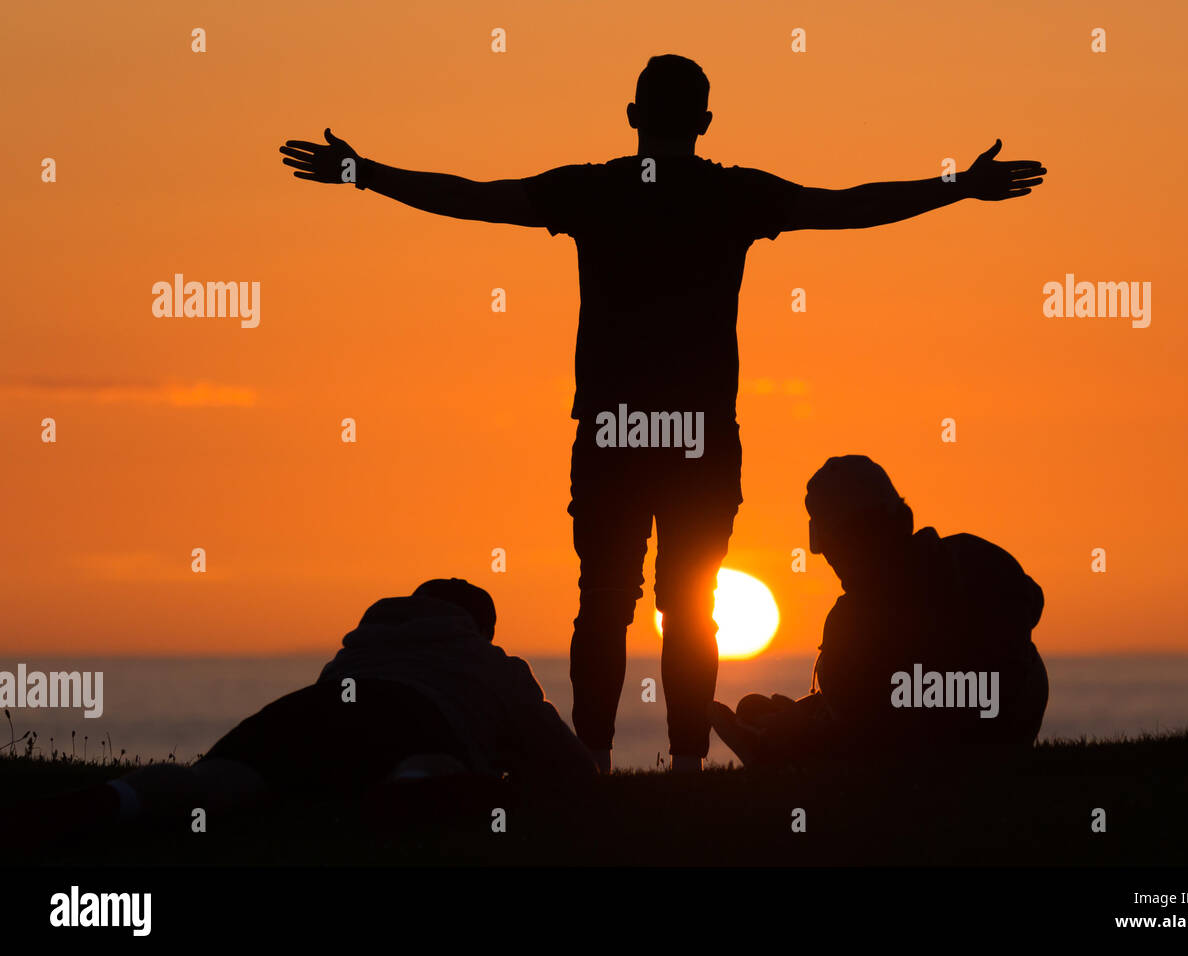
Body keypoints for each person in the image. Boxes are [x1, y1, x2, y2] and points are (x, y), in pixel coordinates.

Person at [279, 55, 1048, 772]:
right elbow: (845, 209)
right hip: (700, 438)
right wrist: (957, 186)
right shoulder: (730, 194)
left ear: (632, 115)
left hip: (614, 432)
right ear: (706, 123)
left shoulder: (596, 189)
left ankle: (593, 759)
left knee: (605, 601)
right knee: (690, 608)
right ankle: (685, 764)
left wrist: (365, 174)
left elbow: (474, 197)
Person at [22, 579, 594, 840]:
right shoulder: (491, 662)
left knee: (215, 782)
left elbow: (336, 727)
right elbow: (571, 769)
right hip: (416, 718)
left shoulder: (356, 651)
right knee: (421, 763)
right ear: (481, 628)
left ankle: (114, 799)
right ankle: (410, 794)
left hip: (305, 710)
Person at [711, 456, 1049, 767]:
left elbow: (870, 720)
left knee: (850, 725)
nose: (823, 554)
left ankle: (779, 743)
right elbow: (1031, 601)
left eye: (830, 537)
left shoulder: (852, 622)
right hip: (1005, 726)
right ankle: (793, 726)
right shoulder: (972, 556)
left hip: (937, 744)